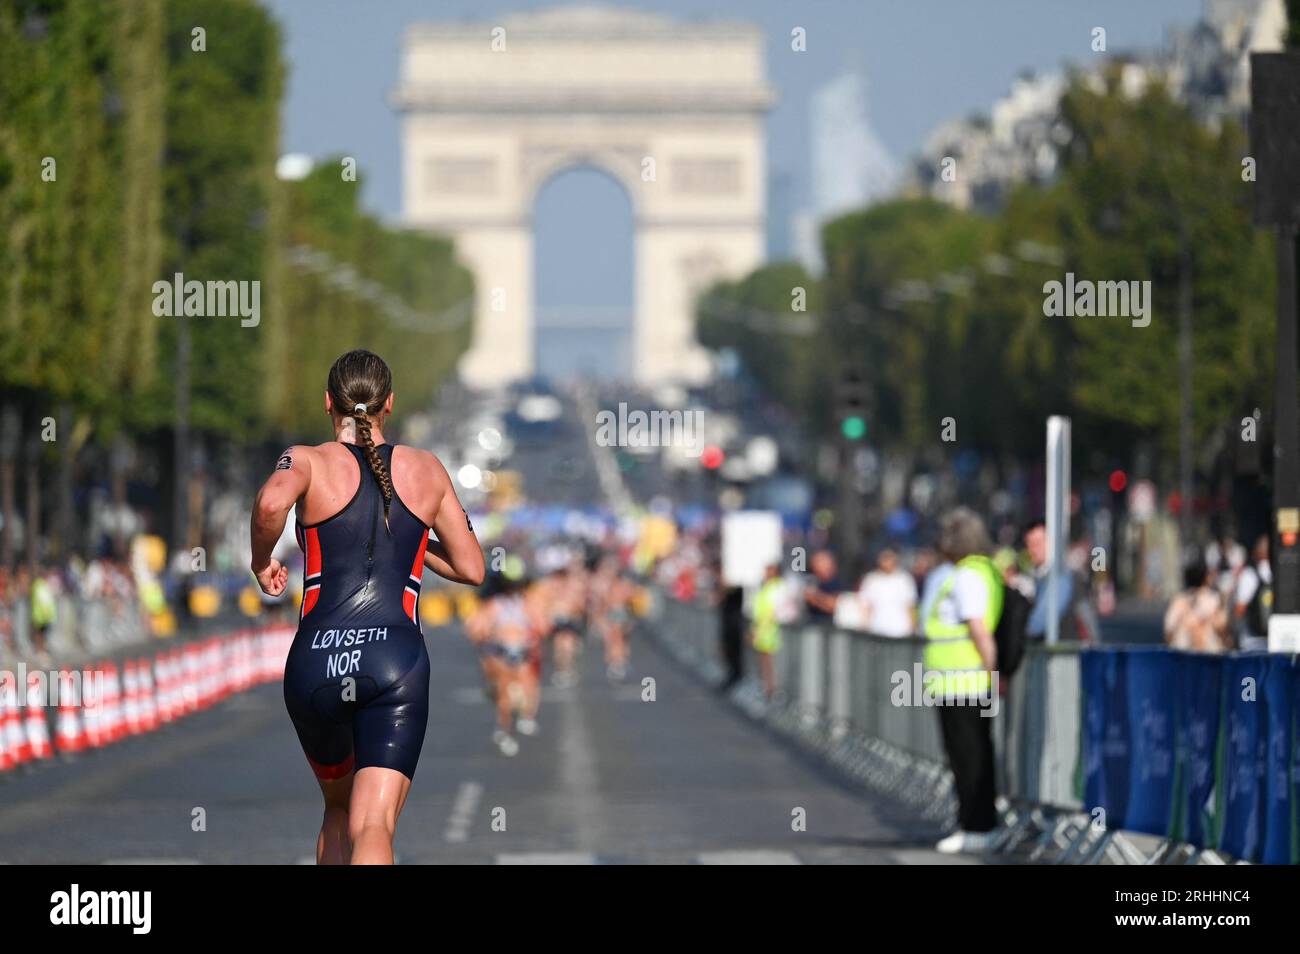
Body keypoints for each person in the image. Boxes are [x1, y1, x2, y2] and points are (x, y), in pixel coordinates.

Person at [250, 349, 484, 865]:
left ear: (328, 402)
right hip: (393, 659)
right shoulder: (425, 469)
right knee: (372, 822)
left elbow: (269, 504)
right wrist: (415, 545)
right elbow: (473, 568)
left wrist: (261, 560)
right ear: (390, 404)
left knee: (336, 811)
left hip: (316, 660)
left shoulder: (306, 460)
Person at [923, 508, 1002, 855]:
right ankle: (976, 823)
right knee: (973, 755)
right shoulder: (977, 572)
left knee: (968, 758)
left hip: (963, 682)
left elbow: (978, 629)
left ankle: (975, 825)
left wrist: (991, 671)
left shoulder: (966, 577)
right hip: (961, 680)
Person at [1164, 558, 1232, 653]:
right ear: (1205, 578)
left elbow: (1169, 631)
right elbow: (1222, 628)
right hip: (1210, 657)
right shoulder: (1215, 600)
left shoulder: (1178, 601)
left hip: (1182, 657)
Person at [858, 547, 918, 637]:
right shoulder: (871, 579)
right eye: (885, 558)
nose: (887, 561)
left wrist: (913, 628)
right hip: (877, 630)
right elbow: (866, 607)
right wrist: (865, 628)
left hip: (900, 631)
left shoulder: (904, 579)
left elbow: (910, 606)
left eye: (890, 557)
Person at [1232, 534, 1272, 652]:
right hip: (1278, 642)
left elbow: (1240, 608)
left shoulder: (1250, 575)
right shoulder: (1284, 574)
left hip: (1252, 642)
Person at [751, 563, 783, 700]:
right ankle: (768, 689)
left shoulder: (777, 587)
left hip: (772, 631)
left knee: (773, 663)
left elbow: (774, 611)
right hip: (764, 631)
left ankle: (774, 691)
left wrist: (760, 629)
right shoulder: (766, 588)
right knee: (765, 662)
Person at [803, 550, 843, 621]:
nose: (817, 564)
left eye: (821, 561)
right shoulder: (814, 582)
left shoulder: (839, 583)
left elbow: (836, 605)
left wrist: (815, 597)